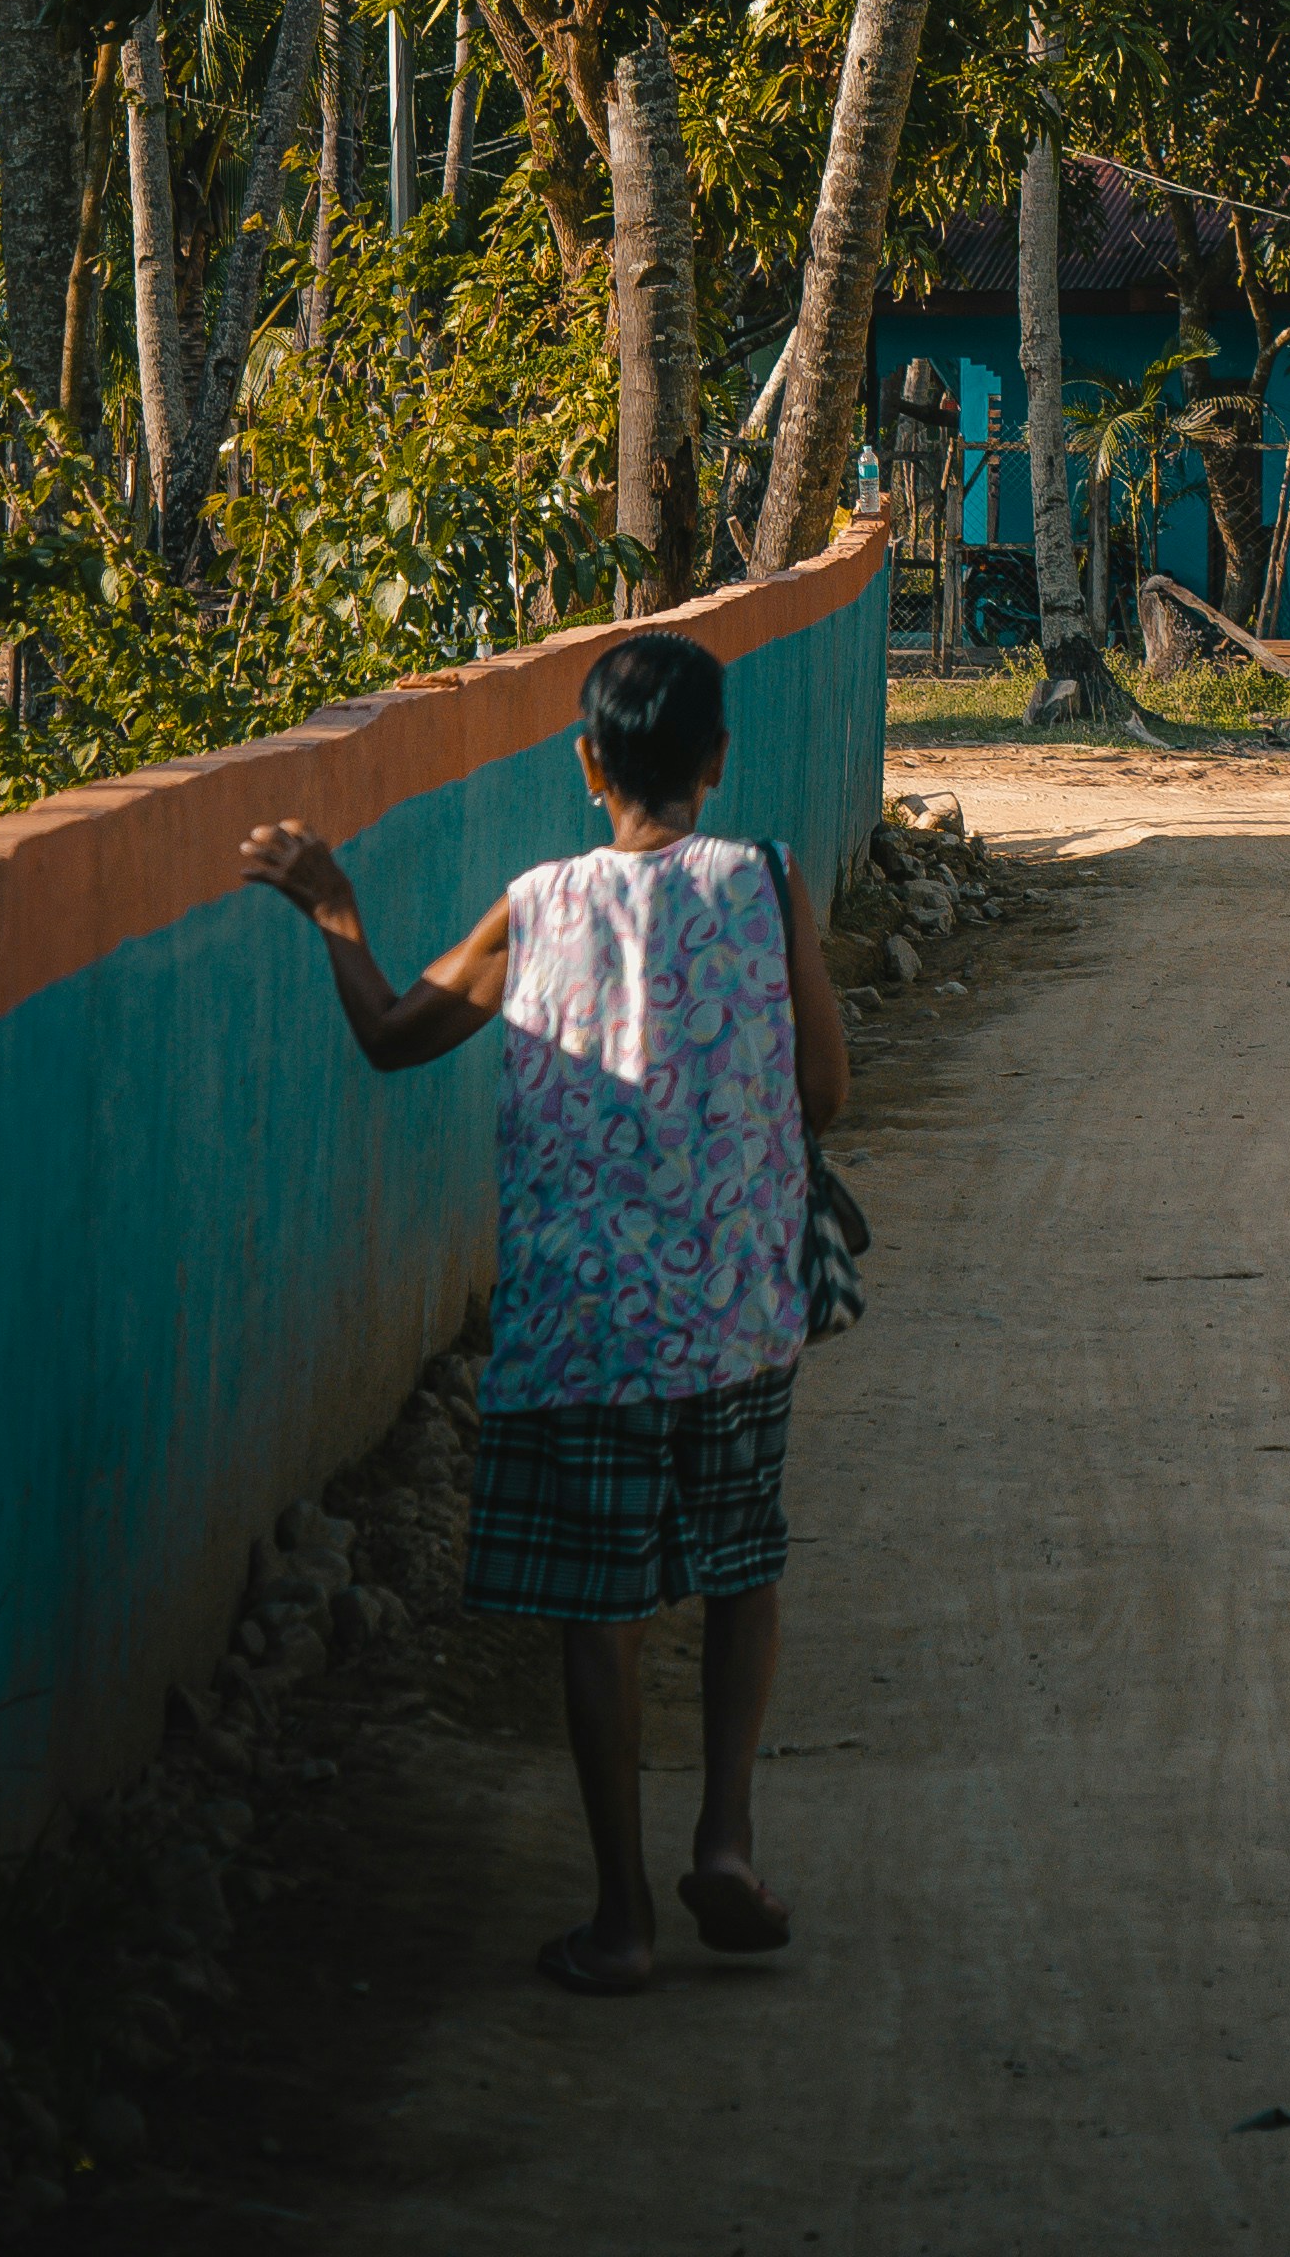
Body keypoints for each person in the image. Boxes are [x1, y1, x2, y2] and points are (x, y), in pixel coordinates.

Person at [241, 625, 853, 1998]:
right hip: (734, 1312)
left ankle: (623, 1919)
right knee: (744, 1569)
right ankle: (730, 1842)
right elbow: (825, 1092)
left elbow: (394, 1034)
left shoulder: (534, 906)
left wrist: (336, 912)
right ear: (717, 761)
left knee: (601, 1612)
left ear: (587, 765)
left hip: (582, 1327)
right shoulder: (768, 884)